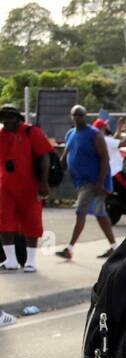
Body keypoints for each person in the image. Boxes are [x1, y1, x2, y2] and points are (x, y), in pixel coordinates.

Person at [55, 104, 115, 261]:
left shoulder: (94, 134)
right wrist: (58, 167)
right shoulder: (71, 133)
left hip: (93, 182)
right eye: (74, 115)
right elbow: (67, 155)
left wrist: (101, 182)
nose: (77, 118)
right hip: (80, 181)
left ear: (85, 116)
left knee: (80, 212)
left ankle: (69, 248)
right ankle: (114, 247)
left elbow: (104, 158)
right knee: (101, 214)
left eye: (80, 115)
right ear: (71, 116)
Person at [0, 103, 52, 273]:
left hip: (30, 188)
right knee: (4, 222)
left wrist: (44, 182)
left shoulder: (31, 132)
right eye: (3, 118)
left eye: (8, 117)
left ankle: (30, 261)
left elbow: (45, 157)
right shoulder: (2, 135)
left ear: (17, 118)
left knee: (32, 223)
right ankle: (11, 260)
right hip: (6, 187)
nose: (5, 121)